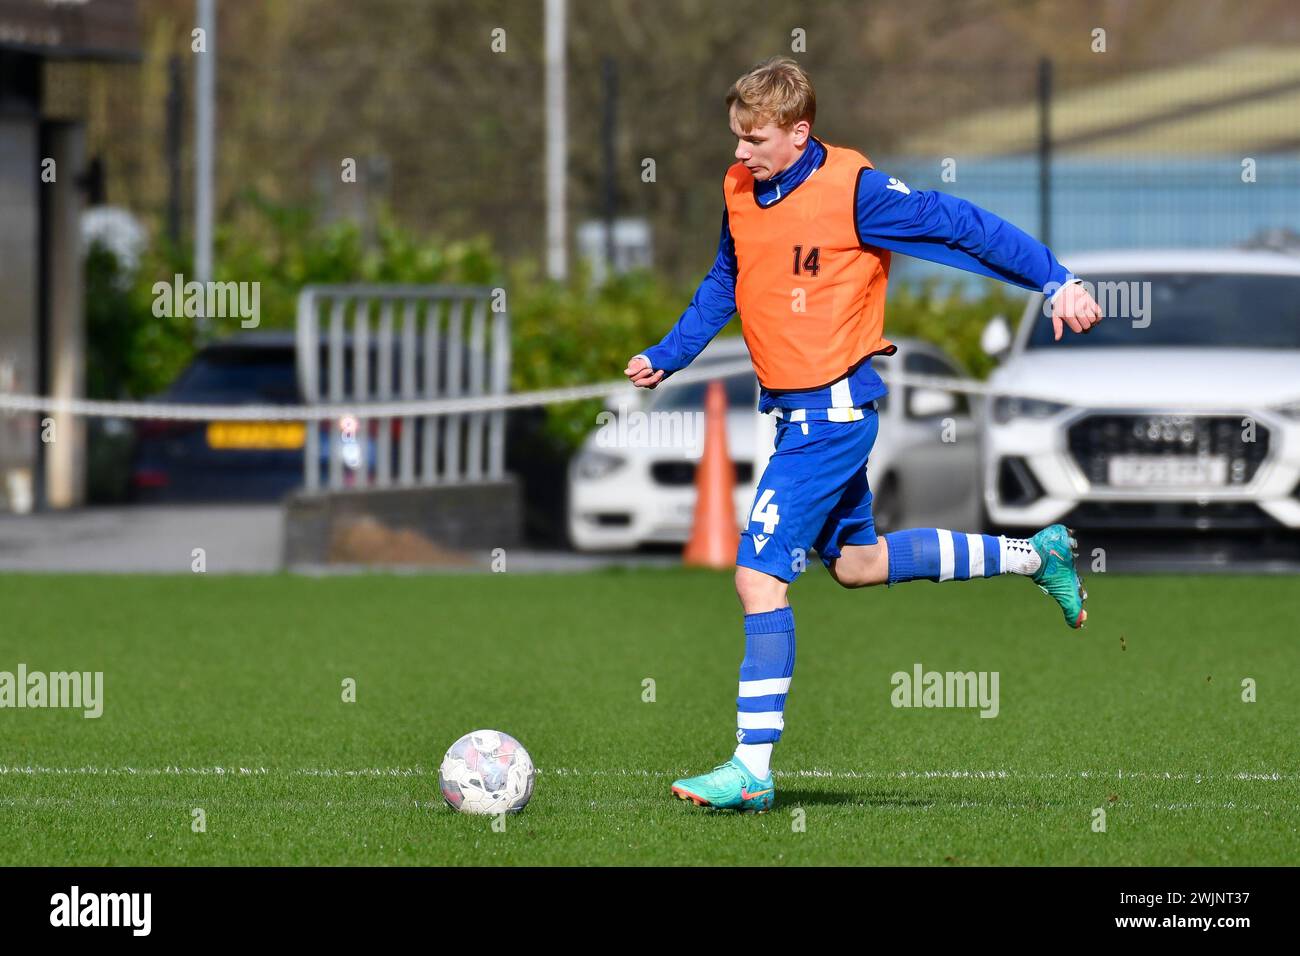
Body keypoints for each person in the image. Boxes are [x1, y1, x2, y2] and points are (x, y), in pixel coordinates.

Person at [624, 56, 1103, 813]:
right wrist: (668, 353)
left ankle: (751, 769)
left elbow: (961, 226)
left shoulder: (856, 190)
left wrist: (1055, 278)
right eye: (736, 136)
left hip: (832, 415)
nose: (740, 152)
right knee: (857, 563)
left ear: (798, 131)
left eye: (753, 138)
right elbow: (727, 278)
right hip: (797, 415)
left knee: (759, 578)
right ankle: (1031, 555)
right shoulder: (739, 189)